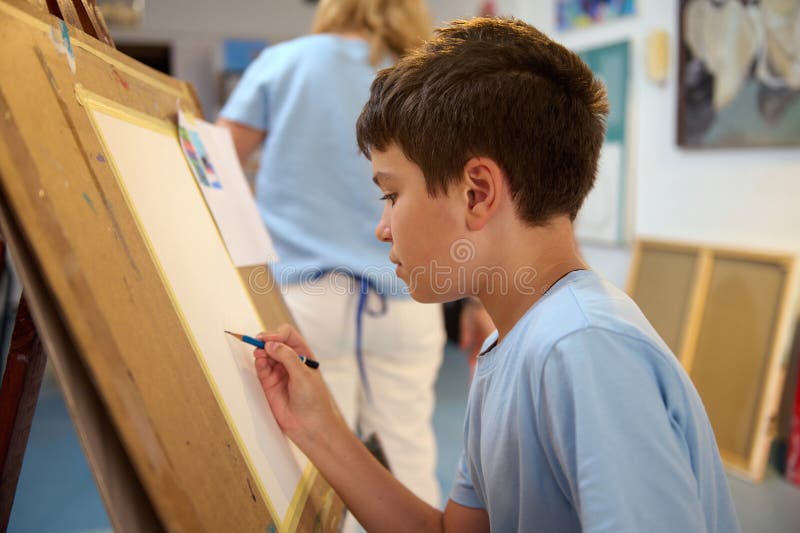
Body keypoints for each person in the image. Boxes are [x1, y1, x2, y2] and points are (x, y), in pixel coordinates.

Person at [249, 16, 741, 532]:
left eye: (392, 195)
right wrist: (318, 425)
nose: (382, 228)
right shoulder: (510, 348)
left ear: (477, 192)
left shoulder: (586, 348)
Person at [216, 0, 490, 509]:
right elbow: (468, 199)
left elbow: (211, 169)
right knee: (409, 459)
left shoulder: (283, 63)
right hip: (408, 297)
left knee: (313, 468)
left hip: (304, 301)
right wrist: (477, 298)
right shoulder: (428, 78)